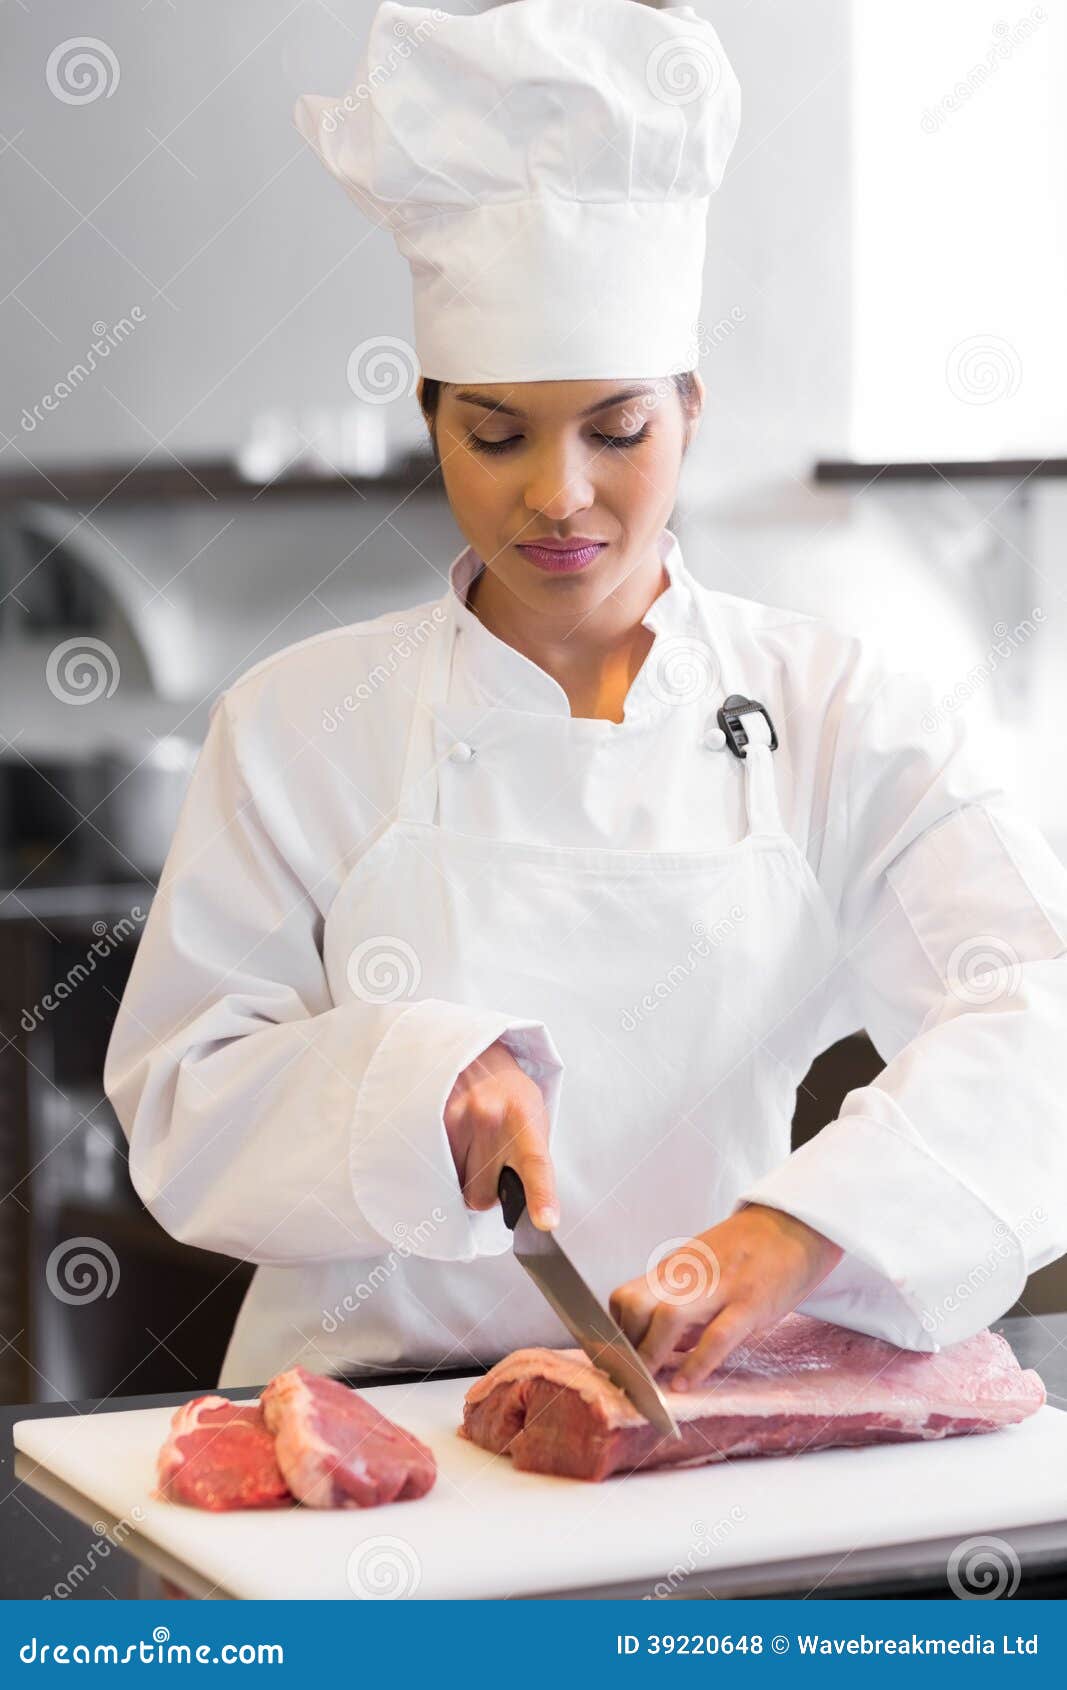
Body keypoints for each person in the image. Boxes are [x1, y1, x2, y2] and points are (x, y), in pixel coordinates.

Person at [105, 0, 1067, 1391]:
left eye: (617, 429)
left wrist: (798, 1230)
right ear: (431, 419)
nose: (559, 495)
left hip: (689, 1409)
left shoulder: (839, 710)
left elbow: (1040, 1007)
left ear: (689, 410)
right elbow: (185, 1109)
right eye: (496, 433)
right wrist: (416, 1086)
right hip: (373, 1430)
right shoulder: (297, 720)